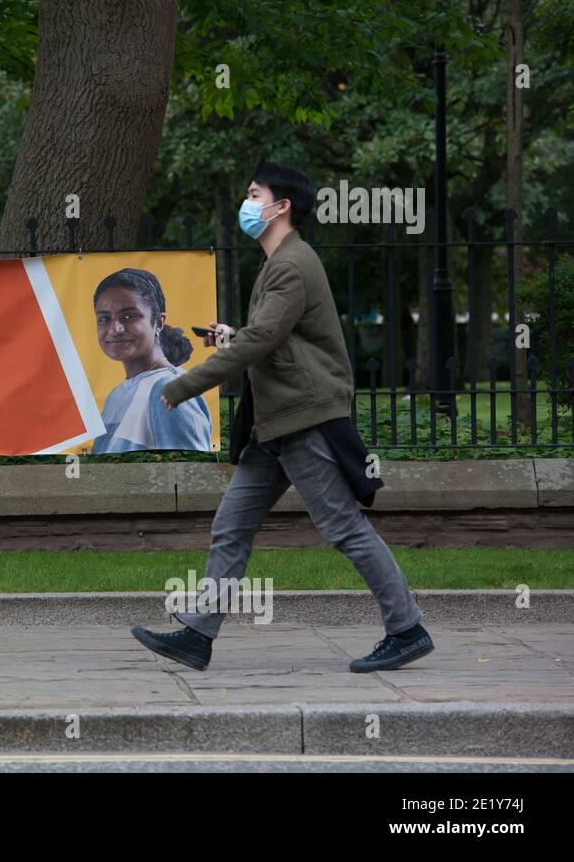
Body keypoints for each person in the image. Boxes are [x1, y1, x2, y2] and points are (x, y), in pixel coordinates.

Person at [130, 161, 433, 673]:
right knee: (231, 525)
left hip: (302, 418)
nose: (246, 204)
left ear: (280, 206)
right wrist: (234, 336)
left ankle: (407, 629)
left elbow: (266, 339)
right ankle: (198, 635)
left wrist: (182, 386)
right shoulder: (280, 263)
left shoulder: (292, 263)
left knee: (343, 527)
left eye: (254, 194)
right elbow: (276, 337)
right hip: (275, 423)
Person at [90, 269, 212, 453]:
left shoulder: (169, 389)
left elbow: (189, 471)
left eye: (129, 316)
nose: (115, 329)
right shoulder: (115, 395)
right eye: (104, 318)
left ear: (159, 322)